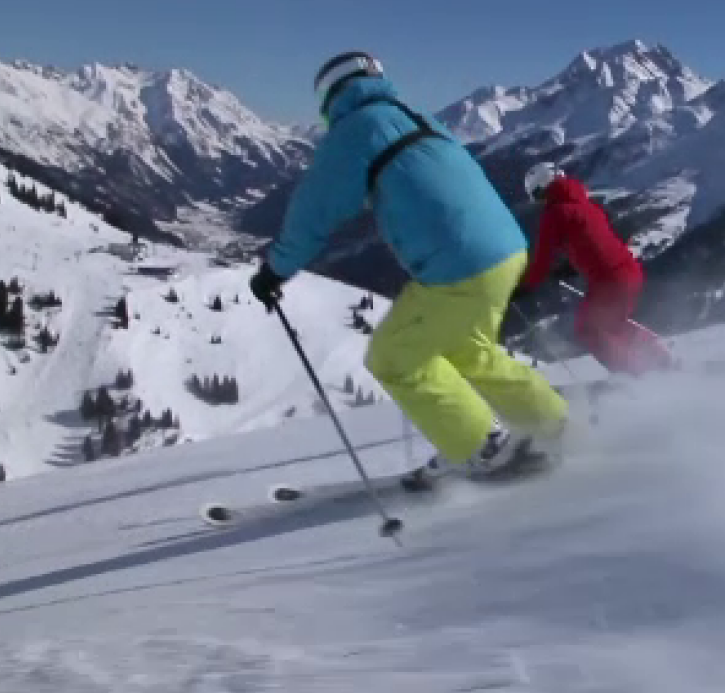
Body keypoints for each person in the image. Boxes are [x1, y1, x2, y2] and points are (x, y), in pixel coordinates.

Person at [248, 51, 567, 485]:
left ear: (329, 96)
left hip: (460, 265)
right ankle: (551, 422)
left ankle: (484, 448)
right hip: (506, 251)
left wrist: (276, 269)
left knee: (394, 358)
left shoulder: (355, 131)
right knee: (471, 351)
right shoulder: (416, 117)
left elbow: (313, 211)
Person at [517, 163, 676, 376]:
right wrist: (571, 267)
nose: (539, 202)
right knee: (612, 324)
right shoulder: (586, 203)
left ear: (543, 187)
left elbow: (543, 258)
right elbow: (596, 240)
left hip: (609, 280)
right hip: (629, 271)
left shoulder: (555, 212)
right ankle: (661, 358)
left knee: (588, 329)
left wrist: (525, 286)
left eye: (537, 195)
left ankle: (634, 373)